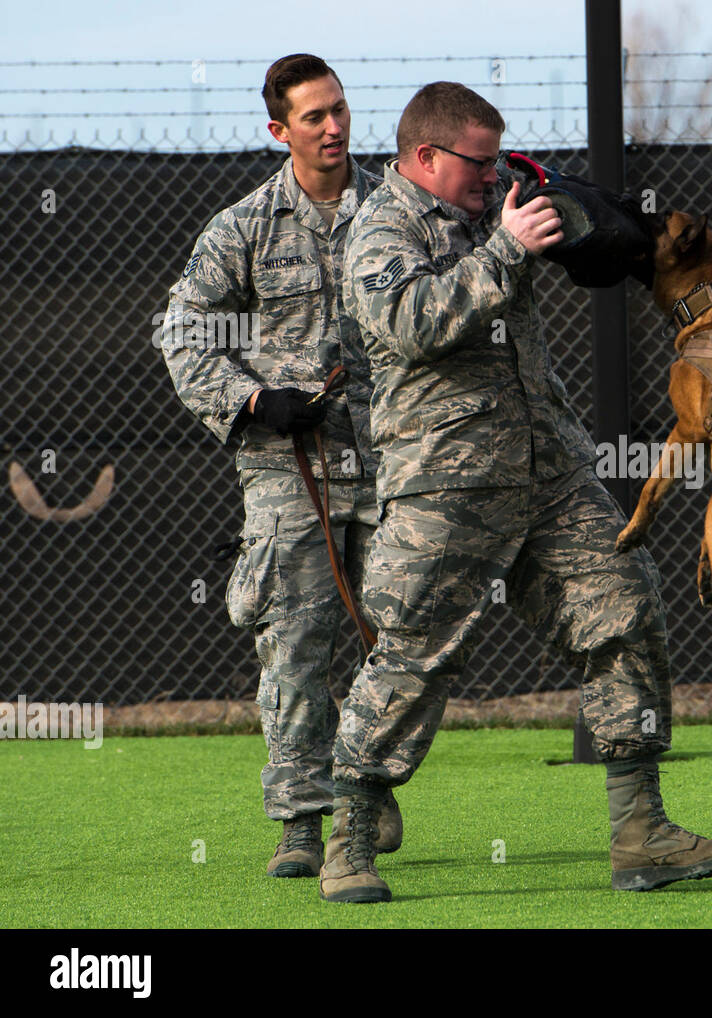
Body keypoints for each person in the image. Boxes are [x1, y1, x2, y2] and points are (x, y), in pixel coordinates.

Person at [322, 81, 712, 904]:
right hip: (446, 478)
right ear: (425, 158)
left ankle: (643, 833)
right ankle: (349, 836)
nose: (492, 177)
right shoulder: (381, 226)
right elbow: (413, 321)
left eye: (497, 161)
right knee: (414, 650)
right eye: (477, 164)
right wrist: (506, 250)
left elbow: (595, 242)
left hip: (549, 470)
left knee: (622, 605)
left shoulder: (499, 208)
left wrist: (615, 232)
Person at [160, 53, 400, 879]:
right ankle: (303, 819)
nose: (333, 127)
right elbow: (182, 330)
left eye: (339, 110)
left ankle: (365, 784)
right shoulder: (247, 224)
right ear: (279, 130)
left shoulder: (396, 209)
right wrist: (254, 402)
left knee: (400, 639)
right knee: (295, 645)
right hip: (290, 464)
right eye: (312, 118)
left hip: (395, 458)